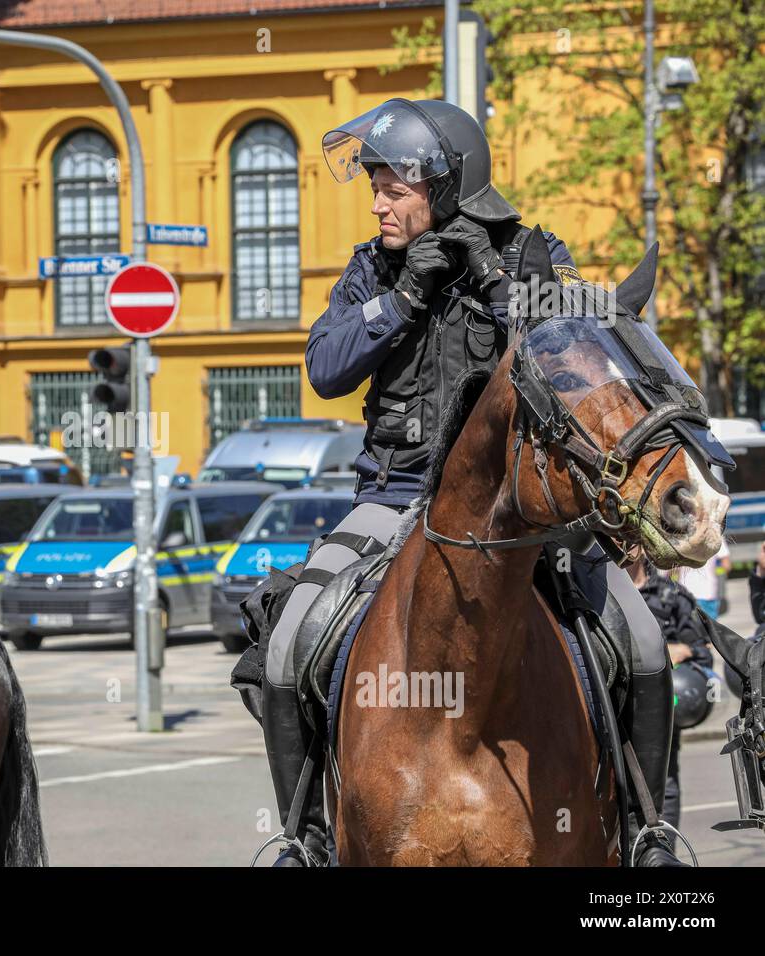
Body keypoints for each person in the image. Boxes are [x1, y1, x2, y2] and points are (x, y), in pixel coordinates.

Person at [260, 97, 684, 867]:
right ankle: (305, 838)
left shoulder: (533, 254)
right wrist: (402, 299)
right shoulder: (370, 270)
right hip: (393, 499)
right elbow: (325, 369)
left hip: (524, 511)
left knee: (645, 642)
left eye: (395, 187)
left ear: (446, 186)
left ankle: (652, 831)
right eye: (376, 187)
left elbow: (573, 357)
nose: (380, 202)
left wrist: (497, 290)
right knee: (292, 639)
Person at [627, 559, 712, 828]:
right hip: (608, 709)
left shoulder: (672, 595)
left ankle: (661, 849)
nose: (622, 545)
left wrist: (681, 651)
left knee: (664, 784)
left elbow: (702, 652)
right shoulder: (595, 592)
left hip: (658, 712)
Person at [677, 539, 729, 620]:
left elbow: (671, 570)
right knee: (710, 629)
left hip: (684, 594)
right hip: (707, 593)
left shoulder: (680, 535)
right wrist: (716, 572)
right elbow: (726, 565)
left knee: (687, 630)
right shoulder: (715, 534)